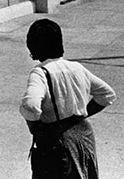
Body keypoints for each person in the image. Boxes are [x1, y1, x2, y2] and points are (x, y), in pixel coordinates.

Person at [20, 18, 116, 179]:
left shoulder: (40, 73)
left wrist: (35, 127)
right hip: (85, 136)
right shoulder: (77, 68)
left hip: (59, 141)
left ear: (34, 46)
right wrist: (82, 114)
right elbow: (107, 95)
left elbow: (31, 106)